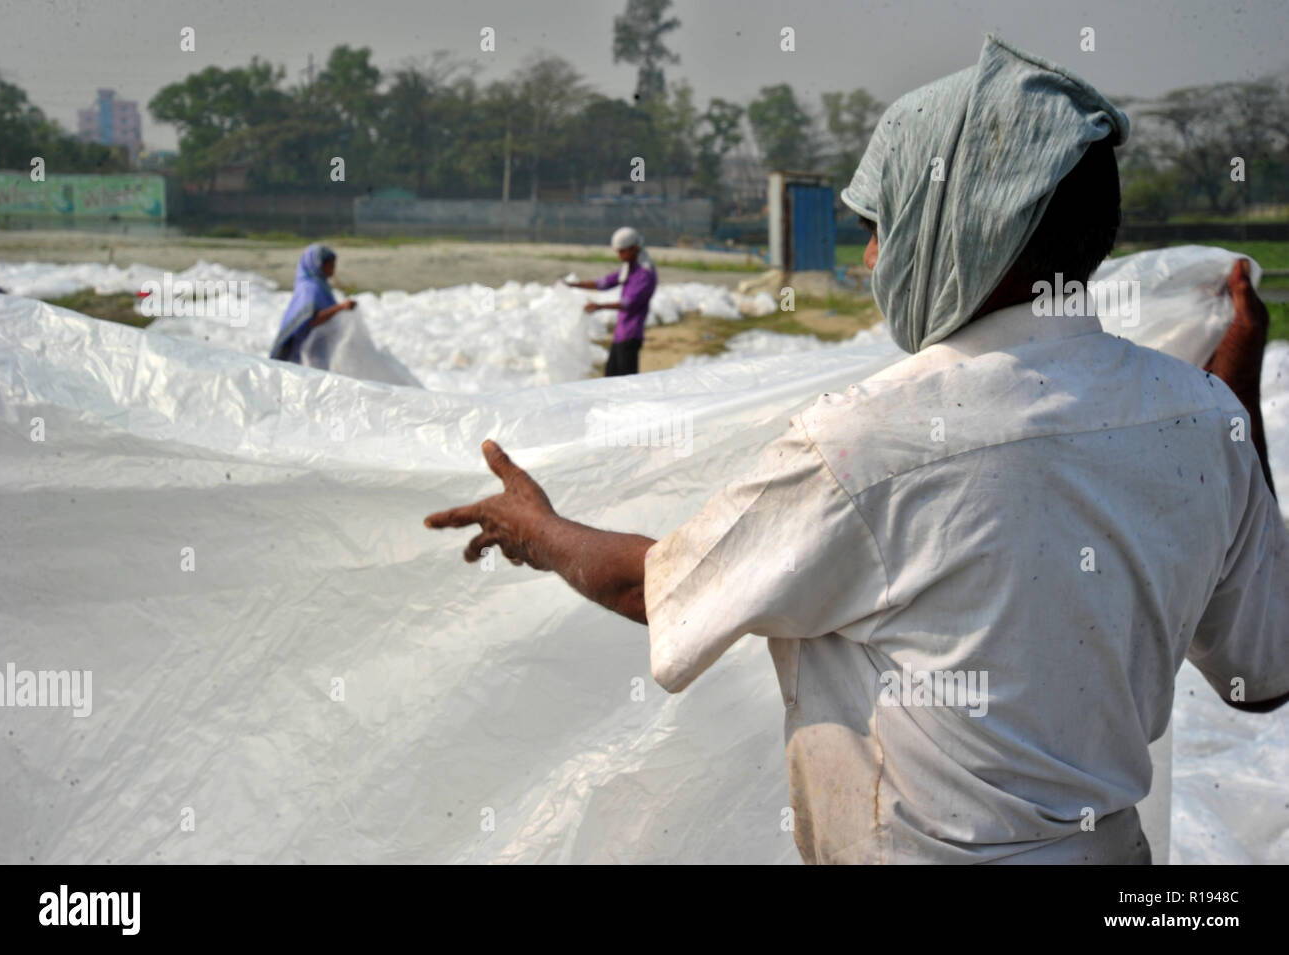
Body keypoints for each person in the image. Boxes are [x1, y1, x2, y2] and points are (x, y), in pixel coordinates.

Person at [425, 35, 1288, 864]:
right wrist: (1235, 389)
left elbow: (661, 588)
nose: (873, 255)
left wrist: (539, 530)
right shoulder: (1205, 421)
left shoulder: (869, 439)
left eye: (888, 222)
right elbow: (1263, 673)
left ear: (967, 224)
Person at [566, 227, 657, 376]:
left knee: (626, 381)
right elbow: (604, 283)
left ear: (633, 249)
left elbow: (628, 303)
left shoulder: (644, 275)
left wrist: (599, 306)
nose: (618, 255)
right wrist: (573, 285)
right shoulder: (630, 268)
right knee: (610, 379)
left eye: (621, 251)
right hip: (620, 334)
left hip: (630, 334)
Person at [269, 244, 357, 364]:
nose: (333, 268)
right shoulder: (309, 288)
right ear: (318, 264)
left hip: (318, 350)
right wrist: (340, 308)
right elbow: (311, 320)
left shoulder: (321, 285)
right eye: (330, 264)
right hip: (306, 352)